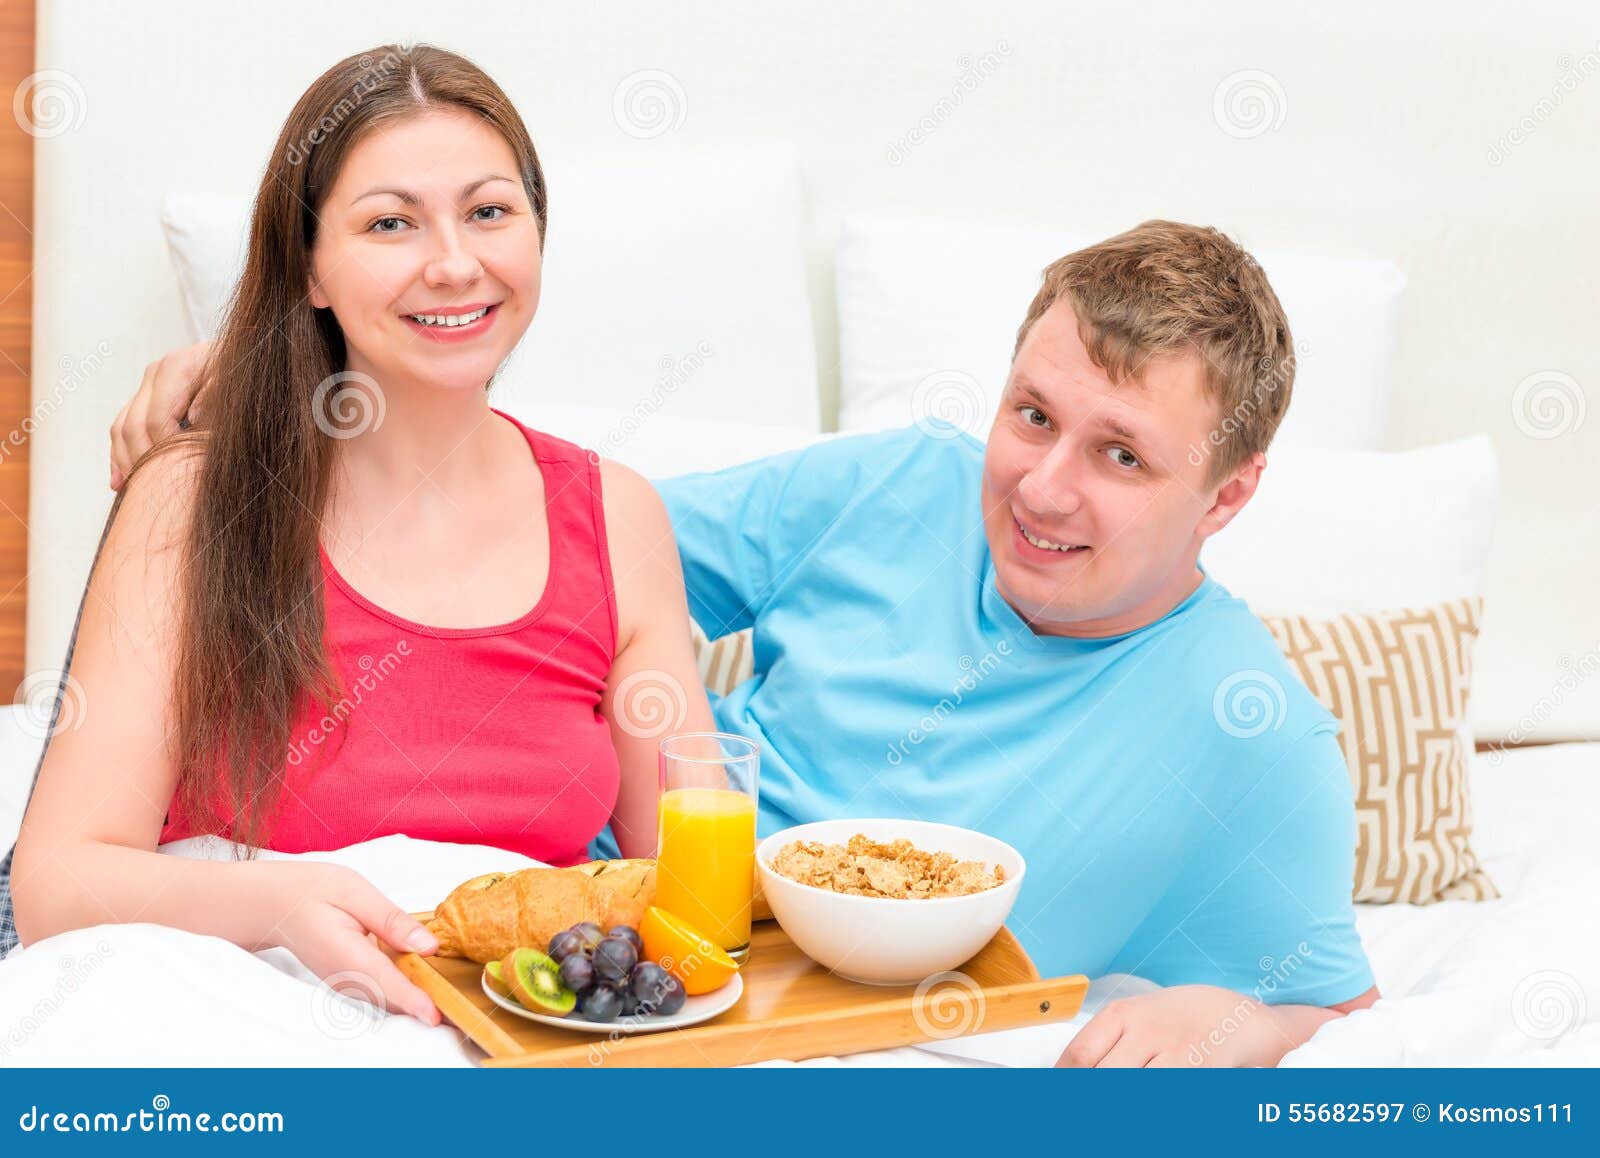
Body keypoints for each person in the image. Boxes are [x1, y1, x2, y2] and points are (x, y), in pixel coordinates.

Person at [96, 225, 1377, 1067]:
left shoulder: (1250, 733)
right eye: (1030, 415)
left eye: (1120, 457)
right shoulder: (896, 488)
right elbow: (566, 544)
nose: (1041, 488)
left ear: (1226, 495)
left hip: (834, 1045)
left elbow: (1339, 1009)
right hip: (582, 951)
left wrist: (1236, 1023)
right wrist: (302, 399)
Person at [1, 44, 714, 1027]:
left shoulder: (618, 514)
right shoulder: (196, 499)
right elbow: (56, 886)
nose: (455, 261)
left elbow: (690, 891)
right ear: (311, 272)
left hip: (516, 1037)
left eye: (490, 211)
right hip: (233, 1011)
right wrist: (283, 905)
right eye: (390, 223)